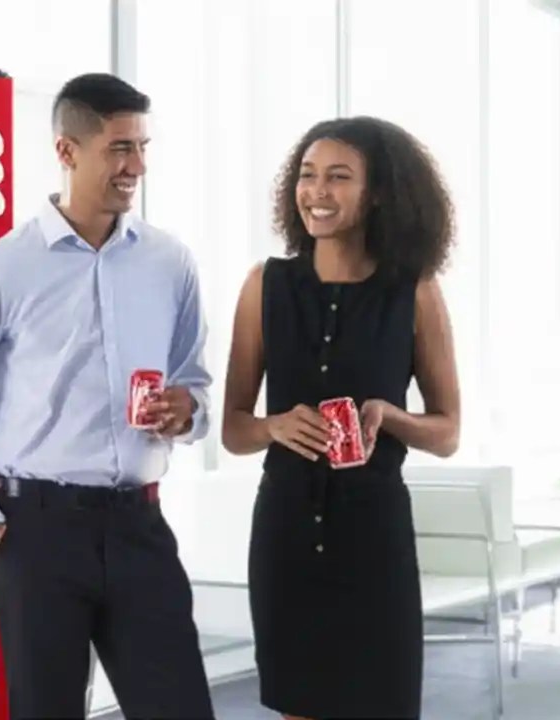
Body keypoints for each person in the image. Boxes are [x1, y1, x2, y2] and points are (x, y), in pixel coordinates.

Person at [0, 73, 216, 720]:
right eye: (120, 149)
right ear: (67, 151)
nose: (137, 167)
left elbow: (195, 385)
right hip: (36, 533)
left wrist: (188, 412)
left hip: (140, 528)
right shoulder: (2, 268)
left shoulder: (170, 263)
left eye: (143, 147)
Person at [221, 116, 462, 720]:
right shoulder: (265, 285)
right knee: (298, 706)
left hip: (373, 536)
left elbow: (448, 433)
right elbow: (233, 429)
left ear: (377, 192)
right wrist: (273, 426)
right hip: (286, 534)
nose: (316, 192)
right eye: (307, 175)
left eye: (338, 177)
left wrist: (390, 415)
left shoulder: (414, 291)